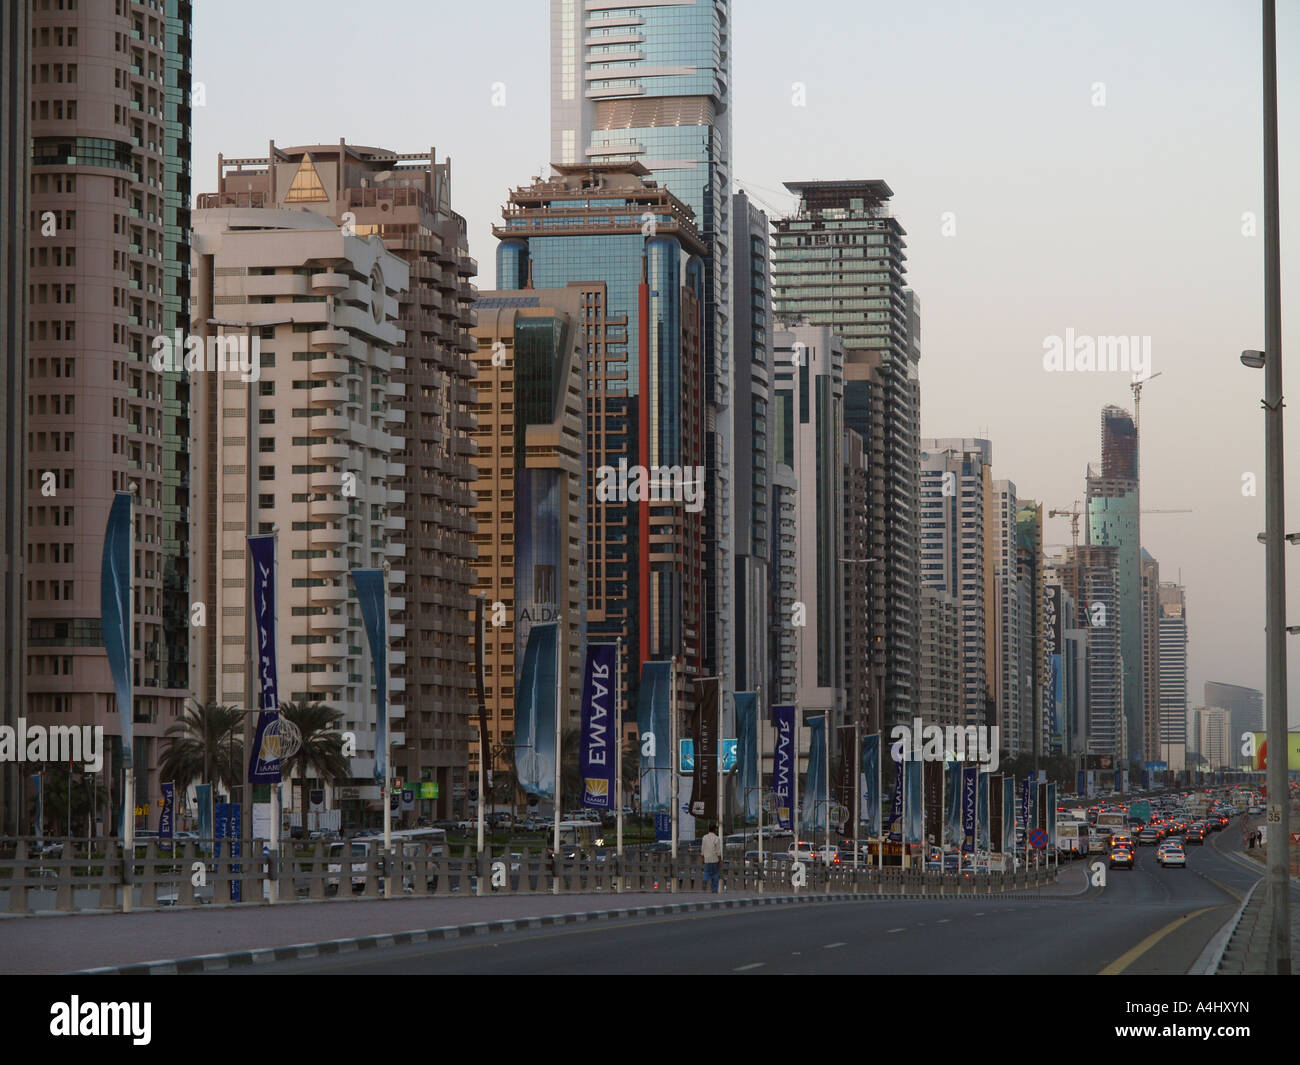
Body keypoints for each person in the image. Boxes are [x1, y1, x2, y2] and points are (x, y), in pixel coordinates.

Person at [701, 823, 722, 893]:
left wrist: (702, 858)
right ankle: (714, 890)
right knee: (715, 874)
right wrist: (720, 860)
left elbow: (702, 849)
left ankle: (705, 880)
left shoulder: (704, 837)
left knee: (706, 872)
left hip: (707, 858)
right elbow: (718, 850)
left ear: (708, 829)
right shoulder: (716, 838)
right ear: (715, 830)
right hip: (714, 858)